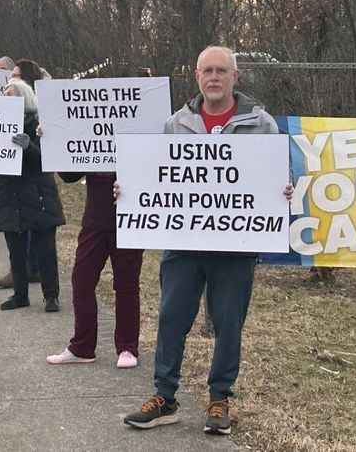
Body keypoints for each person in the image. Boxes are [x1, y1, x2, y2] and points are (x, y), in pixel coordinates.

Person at [121, 46, 293, 436]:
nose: (213, 77)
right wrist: (129, 190)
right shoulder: (175, 124)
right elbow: (156, 175)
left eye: (221, 70)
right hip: (183, 243)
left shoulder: (261, 123)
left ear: (236, 77)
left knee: (228, 323)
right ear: (196, 77)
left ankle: (220, 398)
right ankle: (164, 397)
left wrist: (284, 191)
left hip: (235, 246)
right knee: (170, 318)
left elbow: (279, 177)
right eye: (206, 71)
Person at [45, 166, 143, 368]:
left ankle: (127, 346)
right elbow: (69, 175)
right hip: (94, 220)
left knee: (126, 284)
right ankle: (82, 347)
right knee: (81, 281)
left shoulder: (135, 135)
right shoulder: (87, 136)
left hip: (128, 219)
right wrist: (52, 142)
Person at [0, 79, 64, 312]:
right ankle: (20, 294)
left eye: (10, 94)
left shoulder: (41, 125)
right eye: (4, 93)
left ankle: (51, 295)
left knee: (45, 249)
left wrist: (30, 147)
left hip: (37, 193)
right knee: (15, 249)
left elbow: (50, 158)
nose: (5, 97)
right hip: (9, 193)